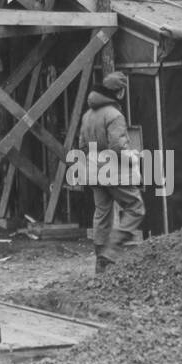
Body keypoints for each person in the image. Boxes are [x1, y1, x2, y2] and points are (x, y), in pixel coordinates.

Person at [78, 70, 145, 273]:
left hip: (93, 170)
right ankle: (112, 251)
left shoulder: (87, 115)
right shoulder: (115, 115)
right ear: (120, 92)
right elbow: (117, 146)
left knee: (102, 214)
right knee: (135, 208)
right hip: (114, 171)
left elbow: (81, 145)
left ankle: (101, 261)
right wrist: (133, 157)